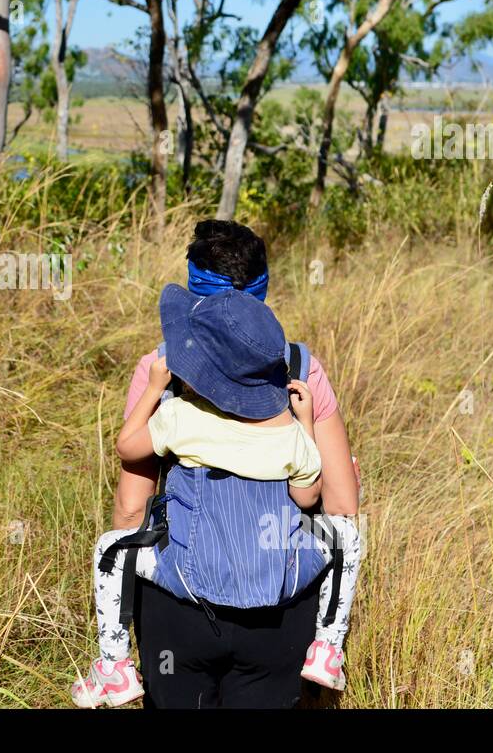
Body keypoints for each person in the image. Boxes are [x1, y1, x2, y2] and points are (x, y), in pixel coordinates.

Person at [119, 221, 360, 709]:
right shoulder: (300, 369)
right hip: (280, 606)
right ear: (263, 286)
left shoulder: (161, 369)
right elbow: (340, 504)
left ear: (194, 287)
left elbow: (131, 506)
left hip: (179, 601)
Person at [71, 285, 322, 708]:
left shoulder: (180, 418)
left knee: (110, 550)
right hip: (273, 599)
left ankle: (114, 665)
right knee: (345, 538)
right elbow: (307, 497)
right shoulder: (290, 436)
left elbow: (127, 447)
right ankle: (329, 646)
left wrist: (153, 388)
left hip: (189, 590)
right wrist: (307, 423)